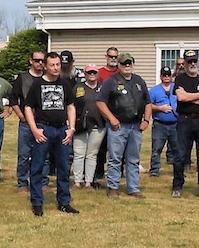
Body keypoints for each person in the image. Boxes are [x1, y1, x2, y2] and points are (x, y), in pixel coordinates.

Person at [24, 52, 81, 216]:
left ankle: (64, 203)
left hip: (62, 130)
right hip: (44, 129)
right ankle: (37, 203)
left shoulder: (65, 84)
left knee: (63, 168)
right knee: (38, 167)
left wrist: (71, 128)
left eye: (58, 64)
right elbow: (28, 107)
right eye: (52, 65)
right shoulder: (37, 85)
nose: (56, 68)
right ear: (45, 66)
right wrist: (34, 129)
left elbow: (71, 106)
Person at [97, 52, 150, 198]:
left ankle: (133, 188)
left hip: (136, 126)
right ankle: (113, 187)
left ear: (133, 64)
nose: (127, 66)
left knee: (133, 159)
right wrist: (111, 119)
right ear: (119, 65)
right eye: (124, 63)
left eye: (129, 63)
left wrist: (146, 120)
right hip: (118, 126)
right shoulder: (111, 81)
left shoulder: (139, 81)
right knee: (115, 158)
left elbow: (148, 102)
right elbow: (100, 102)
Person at [173, 50, 199, 200]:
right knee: (180, 155)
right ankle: (177, 186)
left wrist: (188, 97)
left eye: (194, 61)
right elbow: (180, 97)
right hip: (184, 120)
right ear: (184, 63)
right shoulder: (180, 79)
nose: (192, 64)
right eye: (189, 61)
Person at [11, 50, 47, 193]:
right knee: (24, 154)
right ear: (30, 61)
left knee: (44, 154)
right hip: (26, 122)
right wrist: (21, 116)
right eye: (37, 60)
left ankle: (42, 182)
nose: (40, 63)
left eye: (42, 61)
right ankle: (22, 183)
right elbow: (13, 99)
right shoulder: (22, 78)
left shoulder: (47, 78)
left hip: (43, 121)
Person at [70, 64, 106, 189]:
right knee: (79, 153)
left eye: (94, 72)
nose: (92, 74)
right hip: (80, 125)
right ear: (84, 74)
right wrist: (71, 124)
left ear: (97, 74)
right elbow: (71, 106)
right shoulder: (78, 88)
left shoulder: (102, 88)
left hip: (98, 125)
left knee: (92, 154)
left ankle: (89, 182)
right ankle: (77, 181)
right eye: (89, 72)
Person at [147, 67, 178, 178]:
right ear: (160, 76)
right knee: (157, 148)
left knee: (177, 149)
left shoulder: (177, 88)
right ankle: (154, 170)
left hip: (175, 124)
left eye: (168, 75)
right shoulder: (154, 90)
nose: (166, 77)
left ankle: (178, 170)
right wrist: (160, 108)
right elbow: (148, 105)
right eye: (164, 75)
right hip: (160, 124)